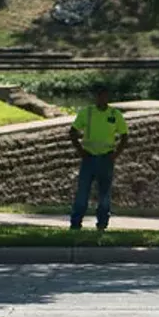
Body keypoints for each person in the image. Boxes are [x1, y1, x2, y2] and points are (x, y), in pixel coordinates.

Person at [67, 84, 129, 231]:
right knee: (82, 193)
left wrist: (116, 154)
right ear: (96, 97)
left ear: (108, 97)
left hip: (106, 158)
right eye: (99, 95)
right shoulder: (87, 113)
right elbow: (73, 132)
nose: (102, 98)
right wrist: (80, 150)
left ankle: (102, 224)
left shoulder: (115, 114)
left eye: (105, 95)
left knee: (104, 195)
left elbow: (124, 135)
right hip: (88, 158)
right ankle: (75, 224)